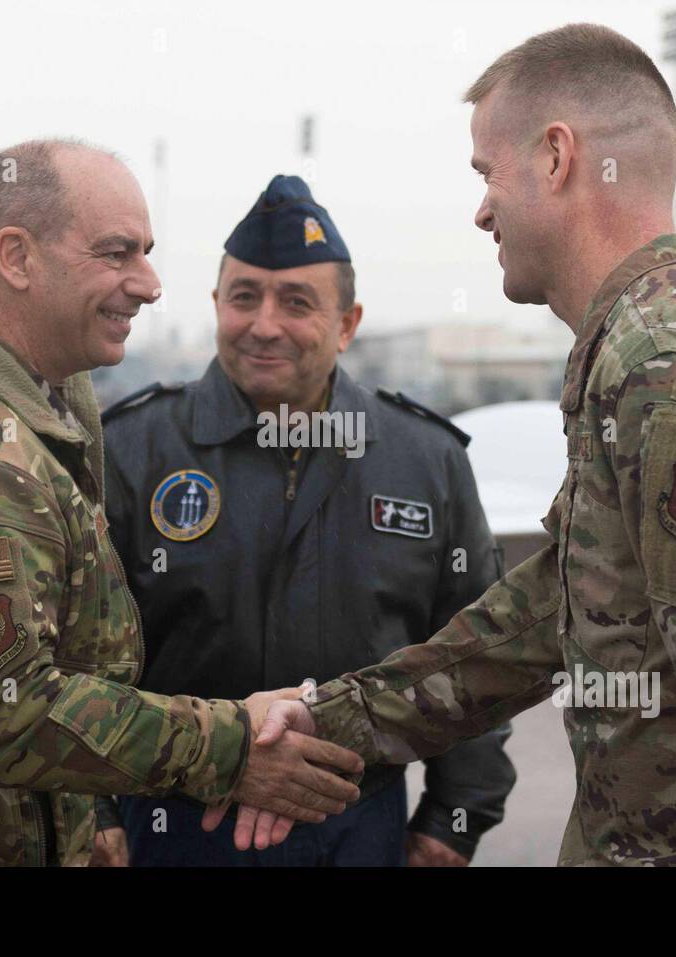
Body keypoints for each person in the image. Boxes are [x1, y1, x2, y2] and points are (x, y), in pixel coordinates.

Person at [228, 24, 676, 867]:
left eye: (487, 173)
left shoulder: (671, 365)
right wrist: (332, 715)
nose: (480, 209)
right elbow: (553, 610)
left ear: (557, 158)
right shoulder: (643, 348)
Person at [0, 138, 362, 867]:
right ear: (18, 257)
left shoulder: (22, 412)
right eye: (117, 254)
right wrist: (232, 744)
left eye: (145, 252)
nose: (149, 284)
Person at [100, 174, 515, 866]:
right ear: (215, 307)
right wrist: (92, 811)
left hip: (356, 825)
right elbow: (78, 656)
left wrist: (454, 820)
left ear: (347, 324)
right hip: (172, 824)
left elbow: (475, 653)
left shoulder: (425, 459)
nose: (265, 324)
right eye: (244, 297)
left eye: (297, 302)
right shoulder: (133, 449)